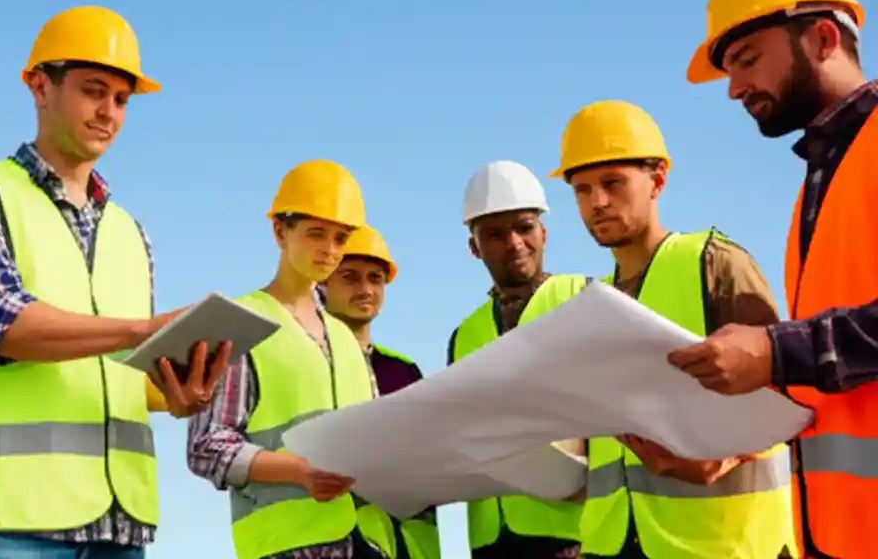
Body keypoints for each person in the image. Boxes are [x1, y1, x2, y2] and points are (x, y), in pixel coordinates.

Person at [0, 5, 232, 559]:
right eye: (94, 90)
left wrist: (176, 393)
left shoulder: (130, 233)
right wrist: (144, 329)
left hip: (120, 528)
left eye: (121, 100)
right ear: (40, 86)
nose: (109, 112)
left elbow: (115, 374)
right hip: (7, 524)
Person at [668, 0, 871, 559]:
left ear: (823, 38)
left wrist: (776, 351)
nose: (733, 89)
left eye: (748, 59)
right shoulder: (821, 181)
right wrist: (731, 442)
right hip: (836, 535)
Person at [551, 99, 796, 558]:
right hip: (617, 544)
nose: (597, 202)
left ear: (657, 180)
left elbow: (788, 392)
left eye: (612, 183)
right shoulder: (592, 307)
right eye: (582, 190)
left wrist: (721, 457)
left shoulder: (715, 264)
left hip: (725, 544)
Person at [186, 159, 389, 559]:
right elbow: (206, 447)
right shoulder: (240, 323)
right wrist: (300, 472)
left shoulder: (346, 341)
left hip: (364, 543)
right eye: (316, 234)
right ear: (280, 230)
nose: (330, 250)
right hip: (284, 548)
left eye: (340, 237)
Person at [444, 160, 586, 559]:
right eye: (494, 234)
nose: (513, 242)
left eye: (524, 227)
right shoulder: (464, 336)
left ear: (543, 232)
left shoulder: (585, 300)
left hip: (573, 534)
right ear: (474, 247)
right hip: (492, 540)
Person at [320, 224, 441, 559]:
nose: (365, 288)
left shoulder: (403, 372)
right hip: (344, 542)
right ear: (322, 283)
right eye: (350, 276)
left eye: (375, 278)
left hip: (412, 546)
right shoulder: (310, 367)